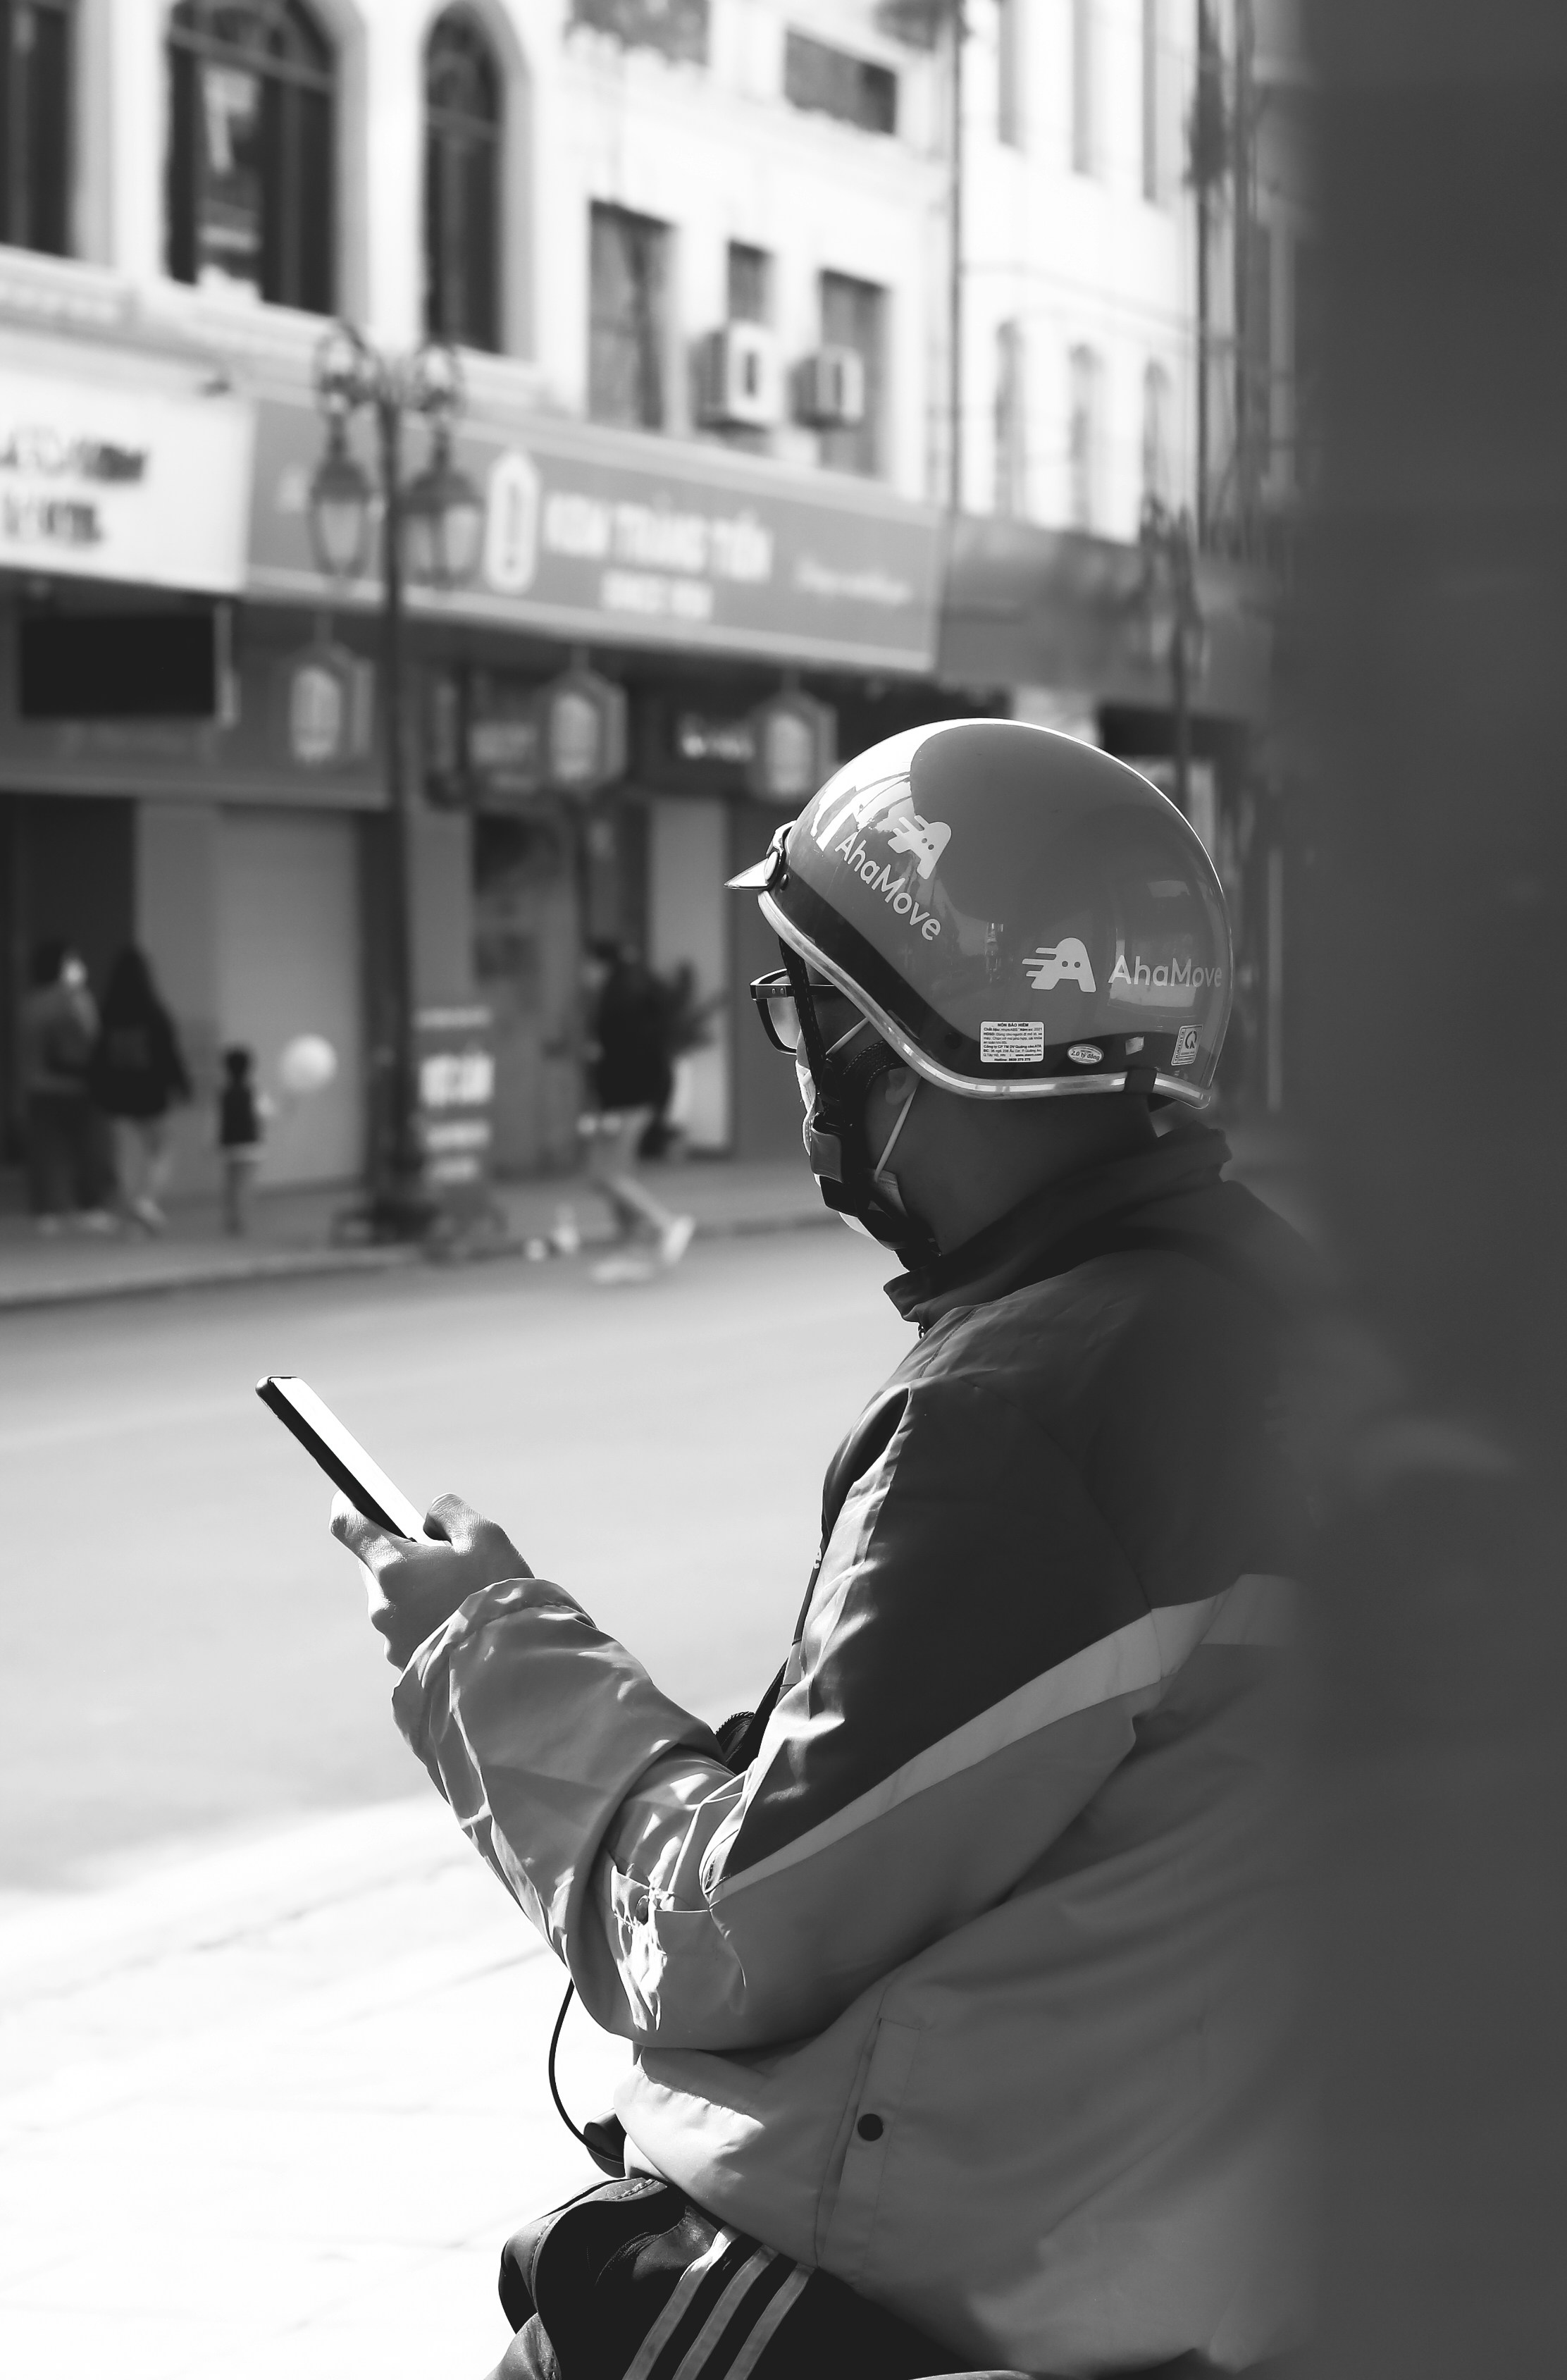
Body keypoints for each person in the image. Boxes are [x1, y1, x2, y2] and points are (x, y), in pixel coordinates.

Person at [332, 720, 1309, 2379]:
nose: (793, 1058)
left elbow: (724, 1935)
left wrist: (475, 1649)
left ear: (898, 1049)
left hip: (985, 2283)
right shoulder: (1264, 1310)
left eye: (804, 1011)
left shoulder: (1036, 1414)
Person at [579, 941, 694, 1276]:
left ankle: (664, 1224)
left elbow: (622, 1061)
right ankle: (631, 1248)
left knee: (607, 1174)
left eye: (585, 965)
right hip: (635, 1099)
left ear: (599, 964)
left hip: (626, 1101)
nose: (582, 974)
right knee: (614, 1175)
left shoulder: (619, 1002)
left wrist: (610, 1108)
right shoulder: (630, 992)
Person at [90, 946, 193, 1233]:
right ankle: (146, 1199)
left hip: (117, 1095)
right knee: (160, 1148)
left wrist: (96, 1090)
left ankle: (129, 1202)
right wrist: (182, 1086)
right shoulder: (154, 1012)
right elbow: (169, 1054)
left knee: (124, 1152)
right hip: (151, 1093)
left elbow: (97, 1057)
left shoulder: (107, 1013)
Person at [20, 937, 111, 1233]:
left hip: (38, 1087)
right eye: (73, 961)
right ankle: (89, 1207)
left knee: (46, 1150)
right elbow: (92, 1039)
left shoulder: (30, 1002)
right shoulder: (74, 998)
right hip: (78, 1087)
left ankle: (47, 1211)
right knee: (88, 1149)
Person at [218, 1046, 268, 1235]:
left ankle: (232, 1219)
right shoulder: (253, 1091)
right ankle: (241, 1221)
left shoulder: (223, 1092)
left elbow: (215, 1120)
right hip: (250, 1145)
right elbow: (264, 1115)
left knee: (231, 1184)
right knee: (245, 1185)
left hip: (229, 1144)